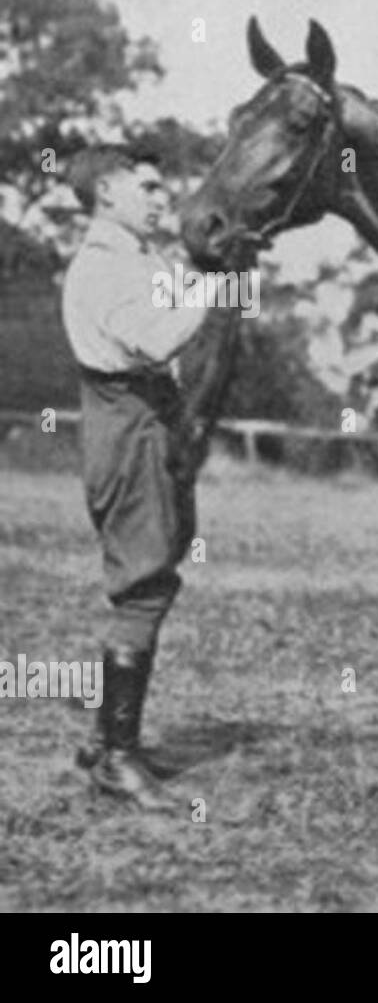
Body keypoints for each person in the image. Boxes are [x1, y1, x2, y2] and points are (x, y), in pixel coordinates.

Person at [61, 145, 215, 809]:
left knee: (156, 568)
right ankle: (117, 758)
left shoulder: (135, 258)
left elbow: (179, 296)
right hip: (127, 423)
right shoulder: (99, 269)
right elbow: (158, 339)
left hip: (152, 417)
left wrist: (219, 263)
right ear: (106, 193)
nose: (160, 198)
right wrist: (213, 288)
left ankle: (106, 740)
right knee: (143, 583)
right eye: (146, 187)